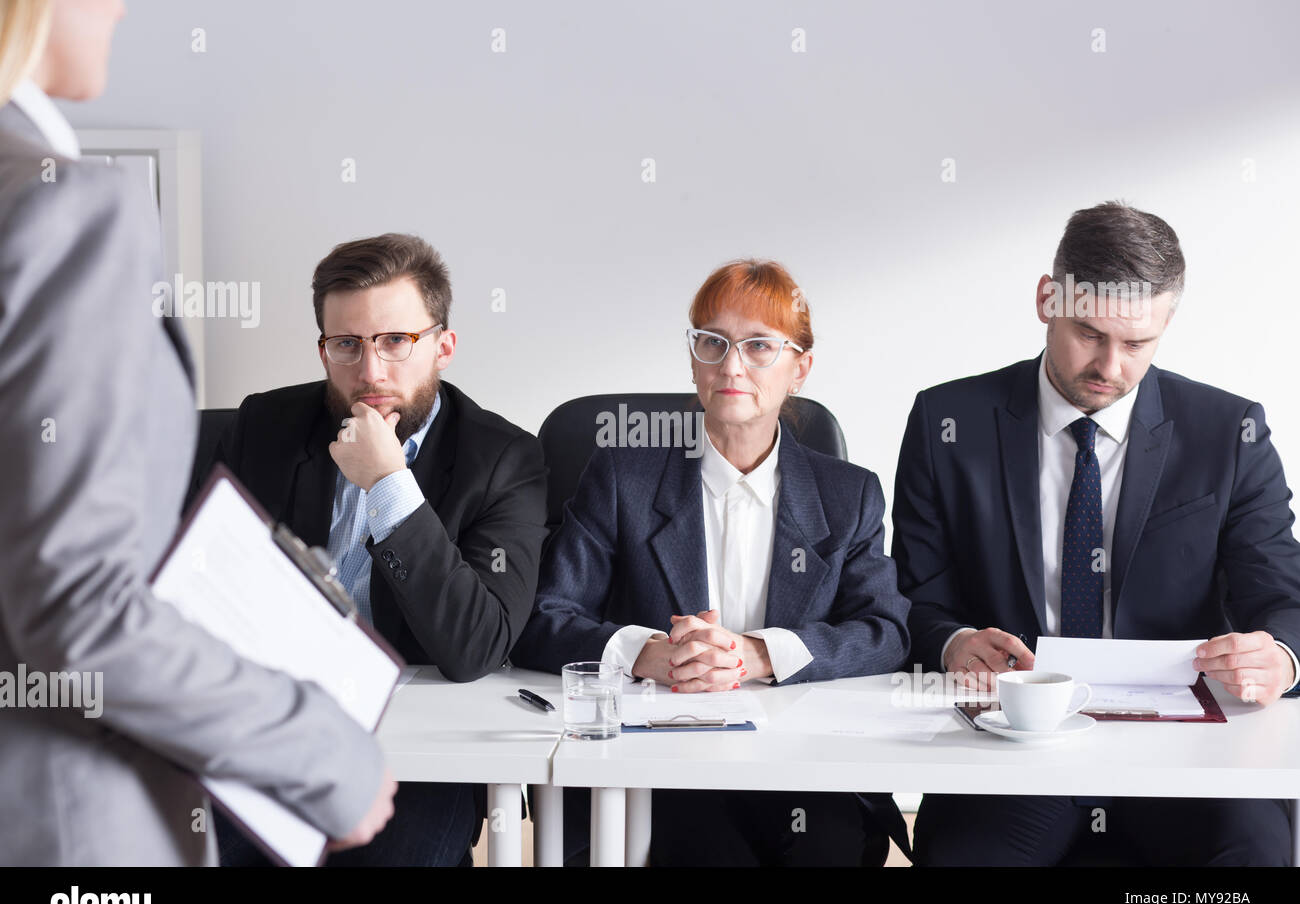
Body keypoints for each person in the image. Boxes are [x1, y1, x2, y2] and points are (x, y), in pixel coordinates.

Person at [0, 0, 395, 865]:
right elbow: (80, 608)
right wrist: (327, 753)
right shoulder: (62, 208)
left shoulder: (500, 451)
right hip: (58, 825)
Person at [892, 200, 1300, 866]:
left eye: (1137, 343)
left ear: (1167, 323)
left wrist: (1280, 657)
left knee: (1253, 858)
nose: (1109, 364)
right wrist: (955, 642)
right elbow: (912, 595)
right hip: (1012, 748)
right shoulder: (948, 422)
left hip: (1186, 755)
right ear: (1047, 300)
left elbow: (1282, 593)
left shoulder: (1229, 433)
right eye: (1088, 331)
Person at [512, 259, 912, 866]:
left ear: (799, 368)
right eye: (713, 342)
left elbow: (884, 633)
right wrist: (650, 654)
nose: (731, 365)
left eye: (758, 346)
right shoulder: (623, 478)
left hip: (802, 763)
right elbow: (544, 616)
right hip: (659, 765)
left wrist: (757, 654)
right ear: (693, 356)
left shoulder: (848, 493)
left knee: (827, 850)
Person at [194, 232, 549, 866]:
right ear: (323, 350)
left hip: (421, 759)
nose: (371, 372)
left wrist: (390, 485)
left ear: (444, 345)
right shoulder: (264, 427)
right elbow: (201, 591)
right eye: (348, 345)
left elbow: (477, 646)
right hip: (273, 733)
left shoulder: (503, 459)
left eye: (395, 342)